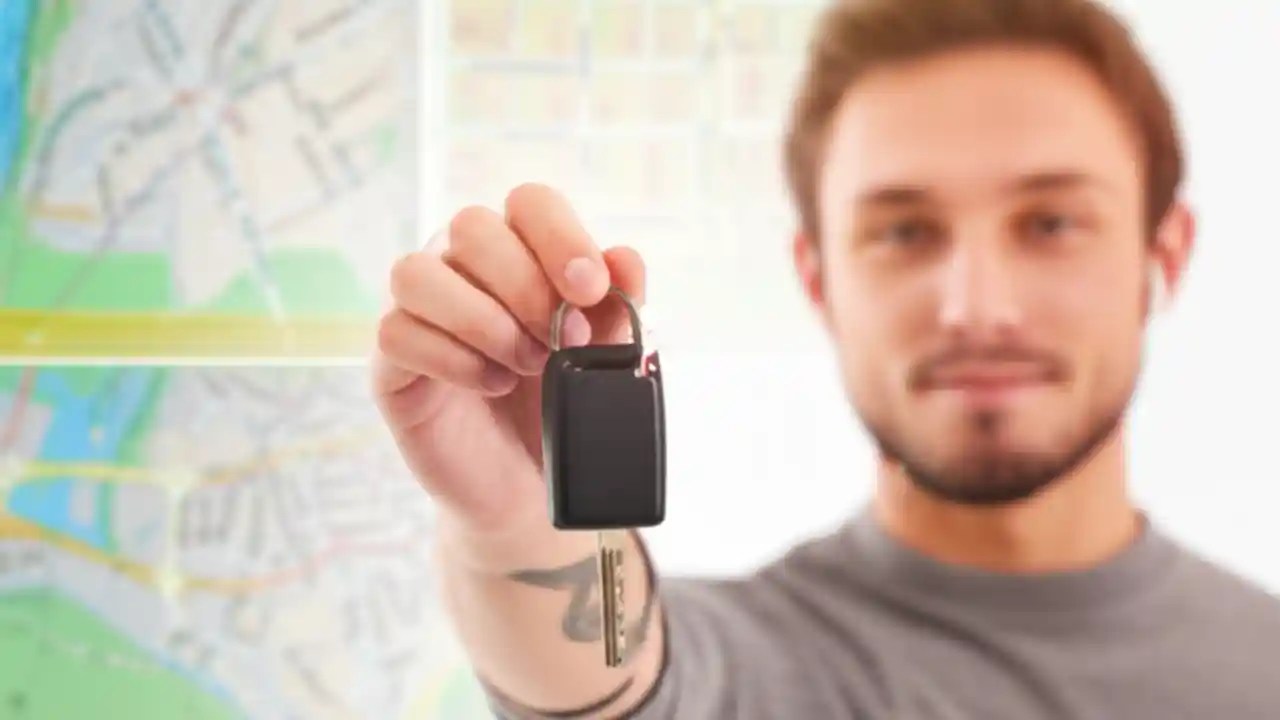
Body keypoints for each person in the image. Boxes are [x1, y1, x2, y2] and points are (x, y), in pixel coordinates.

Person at [372, 0, 1280, 717]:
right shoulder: (742, 678)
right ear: (819, 279)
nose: (976, 305)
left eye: (1051, 223)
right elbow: (610, 690)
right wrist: (514, 520)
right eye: (904, 230)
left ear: (1163, 259)